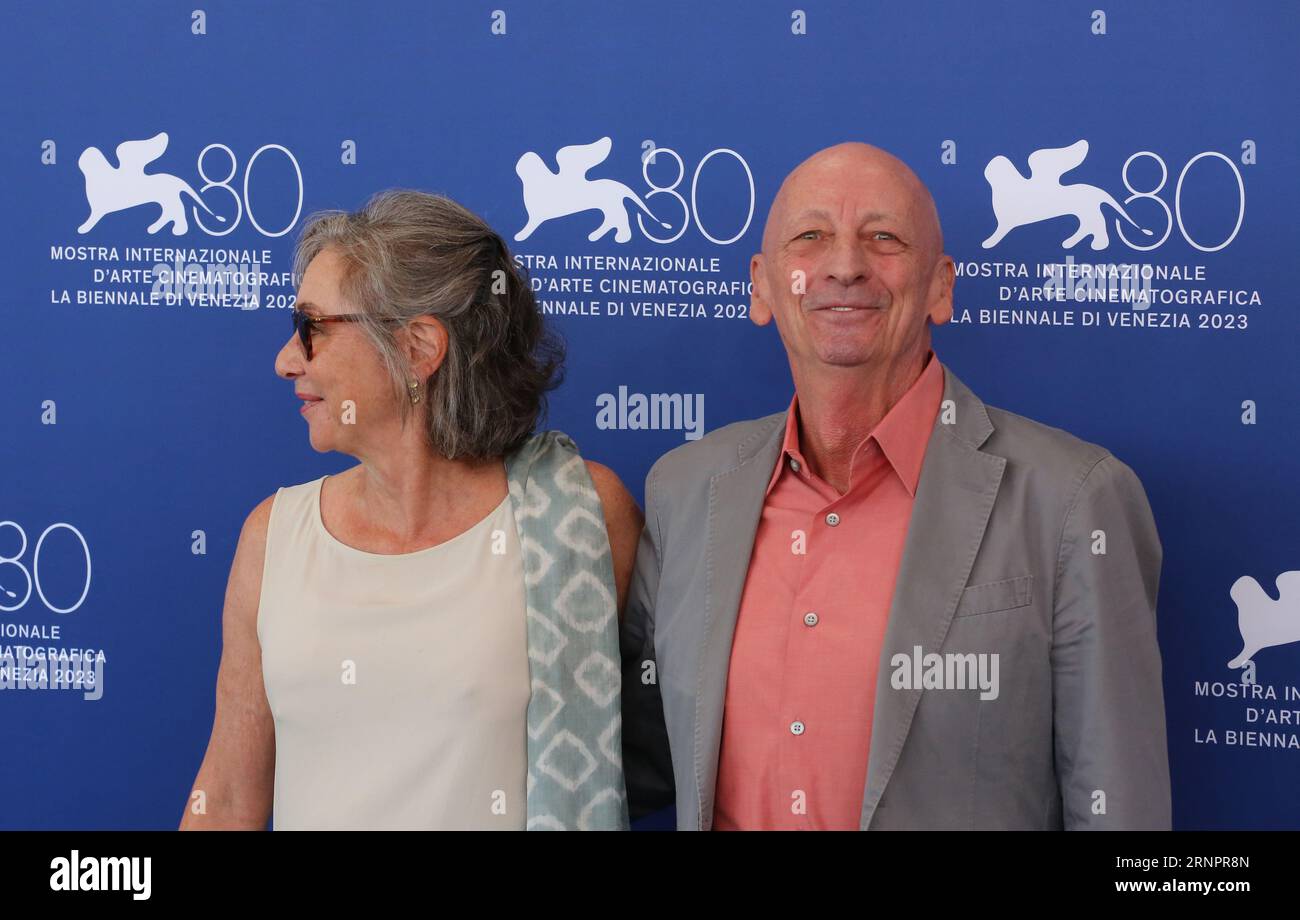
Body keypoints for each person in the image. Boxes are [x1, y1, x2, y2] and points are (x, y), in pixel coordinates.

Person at [620, 142, 1170, 830]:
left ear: (941, 286)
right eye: (811, 237)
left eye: (883, 238)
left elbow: (1123, 816)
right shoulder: (686, 489)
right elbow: (627, 764)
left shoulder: (1072, 500)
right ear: (761, 286)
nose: (845, 266)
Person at [182, 189, 640, 830]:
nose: (287, 360)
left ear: (418, 348)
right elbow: (226, 800)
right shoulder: (274, 538)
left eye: (312, 328)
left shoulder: (580, 515)